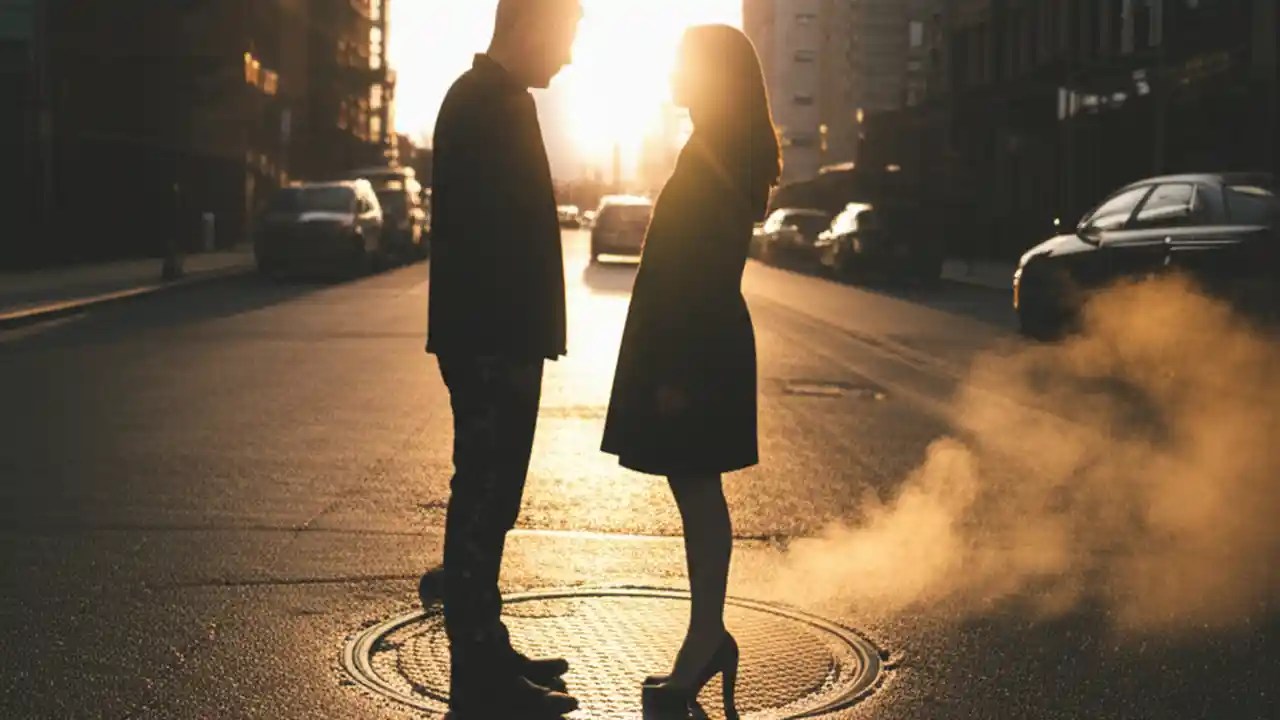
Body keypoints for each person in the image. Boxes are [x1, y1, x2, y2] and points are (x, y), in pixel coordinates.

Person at [601, 24, 781, 720]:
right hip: (694, 343)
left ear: (710, 76)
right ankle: (705, 636)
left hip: (694, 347)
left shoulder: (716, 155)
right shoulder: (717, 147)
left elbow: (697, 271)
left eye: (682, 63)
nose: (670, 72)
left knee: (698, 489)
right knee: (694, 487)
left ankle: (706, 637)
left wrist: (674, 371)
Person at [422, 0, 581, 717]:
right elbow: (491, 248)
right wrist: (514, 347)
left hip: (497, 341)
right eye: (569, 33)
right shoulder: (488, 103)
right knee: (484, 500)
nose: (571, 54)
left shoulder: (491, 98)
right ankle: (479, 674)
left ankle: (488, 647)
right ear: (534, 24)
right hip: (493, 345)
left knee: (492, 499)